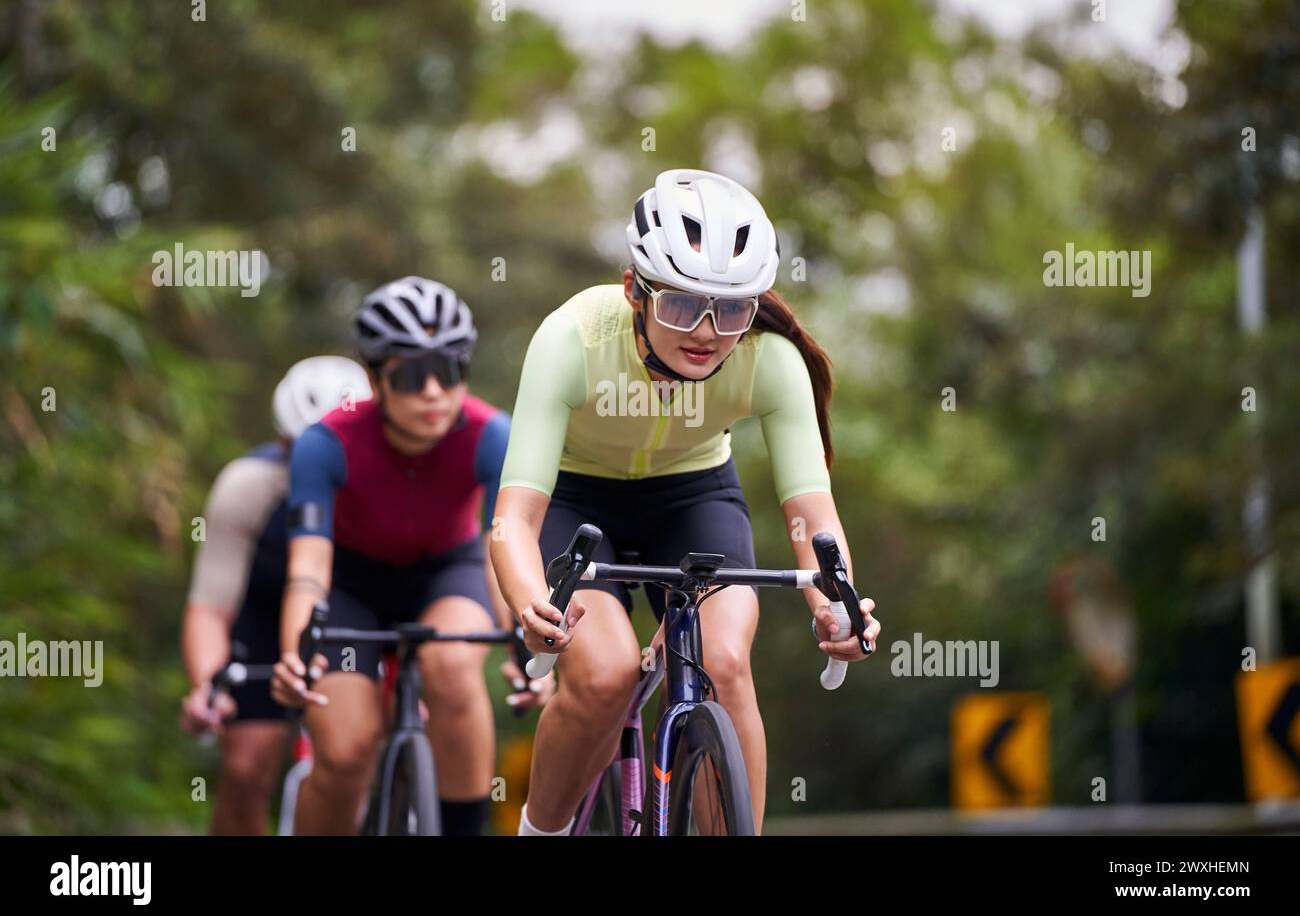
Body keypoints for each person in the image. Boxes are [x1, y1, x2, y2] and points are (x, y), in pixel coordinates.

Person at [490, 168, 881, 835]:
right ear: (633, 291)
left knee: (724, 661)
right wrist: (532, 606)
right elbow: (512, 524)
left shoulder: (771, 358)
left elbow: (813, 522)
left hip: (693, 498)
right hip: (577, 500)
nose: (706, 331)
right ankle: (542, 830)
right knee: (608, 673)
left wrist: (835, 604)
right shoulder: (572, 338)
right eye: (681, 306)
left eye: (732, 309)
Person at [270, 277, 544, 836]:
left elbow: (504, 551)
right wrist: (295, 653)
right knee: (345, 752)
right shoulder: (327, 443)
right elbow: (307, 572)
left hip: (448, 572)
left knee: (452, 665)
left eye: (449, 372)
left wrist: (527, 644)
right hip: (351, 586)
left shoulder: (491, 435)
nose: (434, 393)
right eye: (412, 376)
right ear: (374, 379)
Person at [180, 356, 372, 835]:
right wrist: (208, 684)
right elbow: (209, 607)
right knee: (245, 769)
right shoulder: (246, 487)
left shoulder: (390, 490)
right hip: (264, 619)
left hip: (357, 616)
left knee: (356, 753)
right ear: (284, 442)